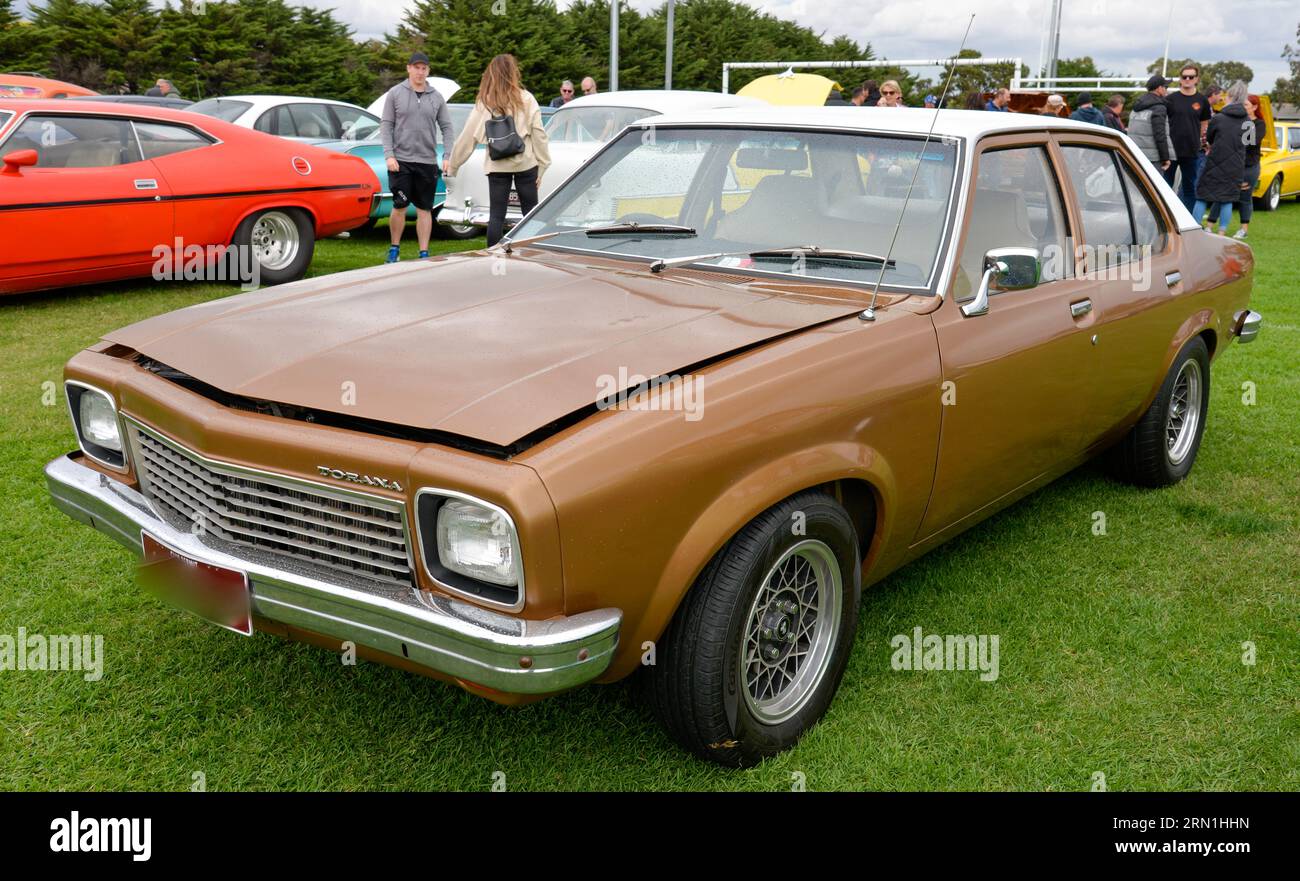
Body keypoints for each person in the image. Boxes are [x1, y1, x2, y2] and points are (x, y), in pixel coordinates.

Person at [447, 54, 551, 247]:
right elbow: (539, 134)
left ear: (491, 75)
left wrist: (453, 167)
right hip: (525, 164)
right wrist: (543, 165)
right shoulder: (526, 99)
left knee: (496, 215)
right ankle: (533, 255)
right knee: (530, 214)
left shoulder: (485, 103)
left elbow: (467, 137)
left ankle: (493, 259)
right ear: (513, 73)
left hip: (497, 165)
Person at [379, 51, 455, 263]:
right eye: (416, 67)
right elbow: (386, 125)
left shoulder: (436, 97)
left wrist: (447, 155)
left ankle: (424, 253)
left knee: (424, 209)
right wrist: (389, 155)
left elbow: (447, 127)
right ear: (409, 68)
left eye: (424, 68)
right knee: (399, 205)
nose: (420, 72)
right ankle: (394, 248)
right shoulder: (395, 93)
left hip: (427, 162)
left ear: (428, 71)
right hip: (401, 161)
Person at [1193, 80, 1250, 235]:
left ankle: (1196, 228)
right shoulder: (1248, 122)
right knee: (1227, 199)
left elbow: (1210, 139)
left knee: (1202, 196)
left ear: (1230, 96)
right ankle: (1222, 232)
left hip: (1214, 162)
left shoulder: (1218, 118)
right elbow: (1248, 144)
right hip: (1236, 165)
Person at [1211, 91, 1265, 239]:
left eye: (1246, 104)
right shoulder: (1238, 122)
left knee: (1244, 198)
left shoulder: (1258, 124)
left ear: (1254, 107)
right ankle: (1210, 226)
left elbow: (1250, 143)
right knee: (1221, 195)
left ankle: (1243, 230)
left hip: (1249, 167)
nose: (1243, 107)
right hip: (1232, 164)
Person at [1166, 64, 1212, 211]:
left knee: (1189, 188)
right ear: (1180, 79)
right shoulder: (1170, 99)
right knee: (1165, 187)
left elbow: (1204, 125)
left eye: (1190, 77)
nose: (1187, 79)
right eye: (1184, 77)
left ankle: (1187, 222)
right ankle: (1165, 219)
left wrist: (1204, 143)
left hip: (1191, 151)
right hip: (1171, 151)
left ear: (1196, 79)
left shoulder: (1202, 100)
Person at [1129, 76, 1174, 175]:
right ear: (1159, 88)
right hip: (1153, 159)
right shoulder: (1159, 107)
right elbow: (1160, 134)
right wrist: (1165, 158)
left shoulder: (1136, 107)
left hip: (1134, 155)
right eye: (1165, 87)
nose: (1166, 90)